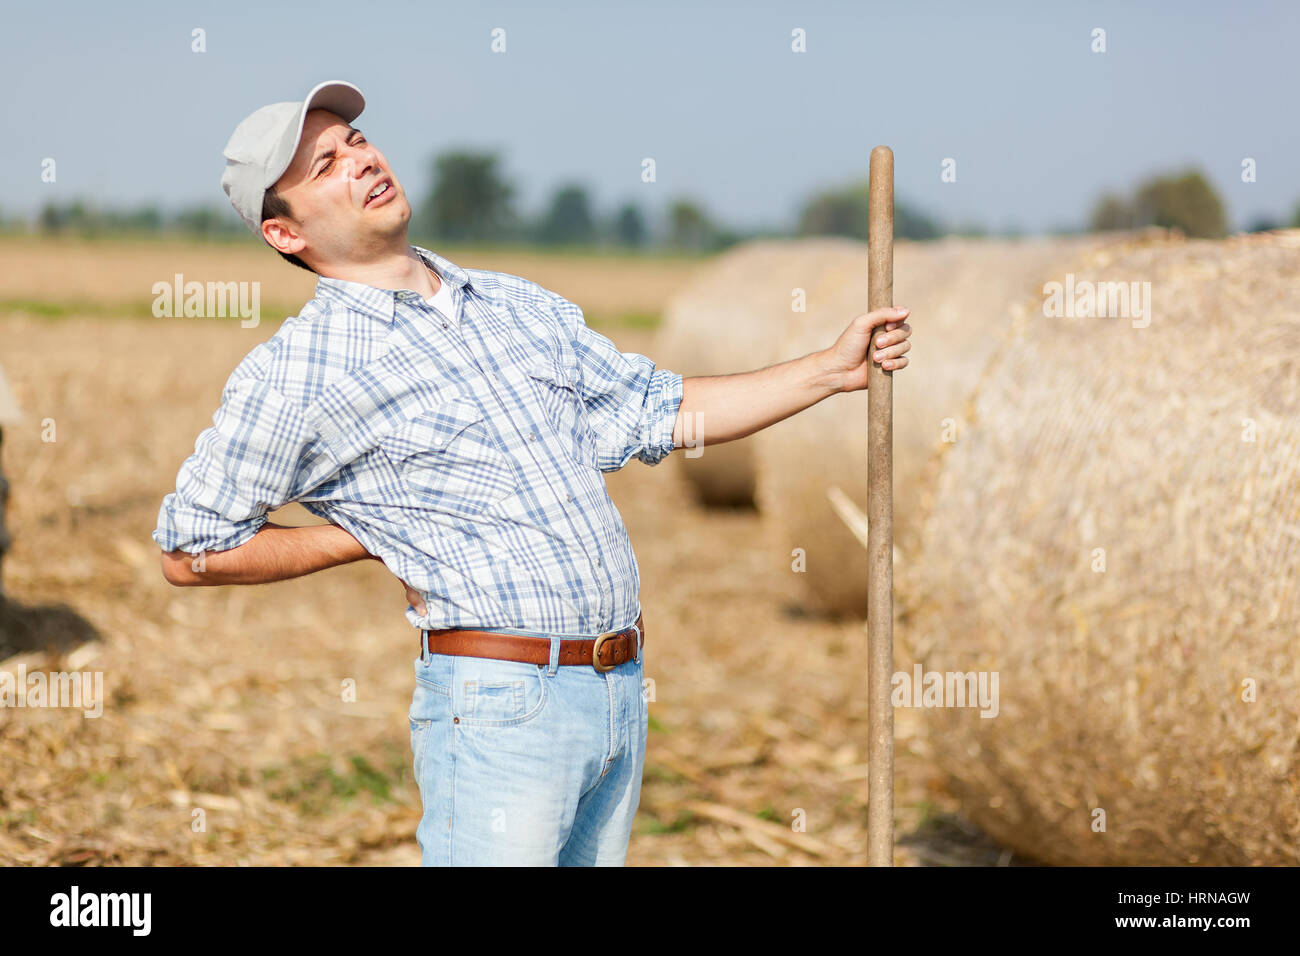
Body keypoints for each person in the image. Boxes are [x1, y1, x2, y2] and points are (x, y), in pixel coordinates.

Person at [153, 79, 913, 866]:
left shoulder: (516, 306)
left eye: (354, 141)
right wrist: (357, 541)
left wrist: (830, 371)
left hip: (619, 689)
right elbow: (190, 549)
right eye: (324, 166)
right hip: (498, 705)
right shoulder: (300, 371)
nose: (360, 160)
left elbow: (660, 409)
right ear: (284, 234)